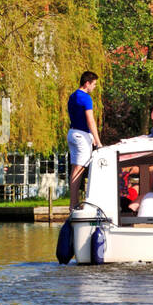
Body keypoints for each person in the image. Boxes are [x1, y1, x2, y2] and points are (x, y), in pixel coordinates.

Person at [67, 71, 103, 209]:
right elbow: (90, 120)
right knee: (79, 169)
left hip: (73, 133)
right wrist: (98, 142)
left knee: (75, 169)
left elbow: (78, 118)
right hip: (81, 136)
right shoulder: (86, 98)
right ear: (87, 83)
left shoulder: (73, 96)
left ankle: (73, 203)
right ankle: (74, 204)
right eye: (93, 84)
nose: (94, 87)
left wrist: (91, 136)